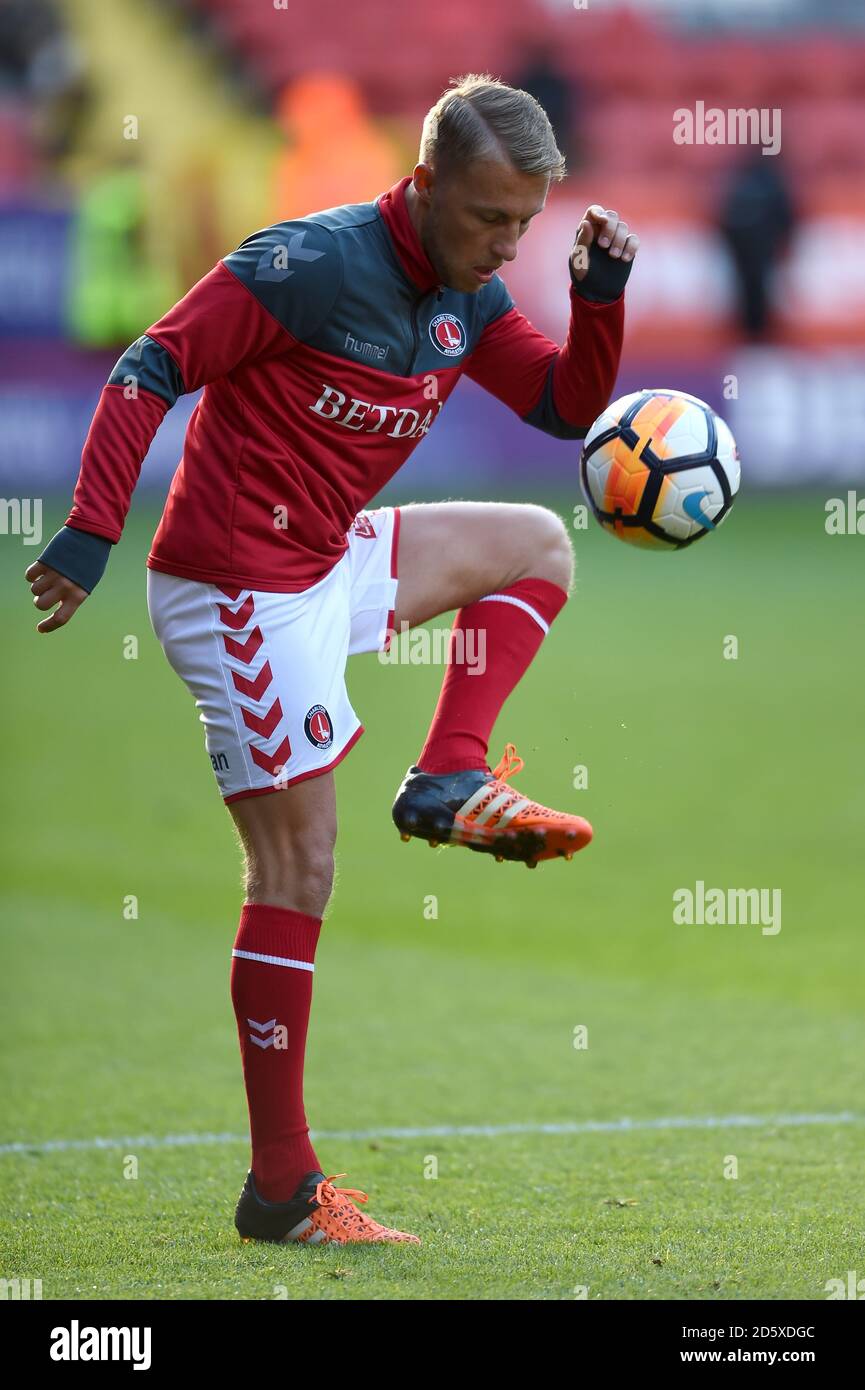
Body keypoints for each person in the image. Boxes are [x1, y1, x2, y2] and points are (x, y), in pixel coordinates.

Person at [25, 73, 638, 1246]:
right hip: (232, 588)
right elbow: (148, 367)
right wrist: (93, 529)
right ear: (424, 184)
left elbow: (564, 407)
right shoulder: (306, 265)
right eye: (487, 220)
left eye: (523, 224)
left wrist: (595, 299)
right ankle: (281, 1189)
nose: (504, 244)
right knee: (300, 868)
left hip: (322, 560)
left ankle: (448, 775)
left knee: (538, 545)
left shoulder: (466, 297)